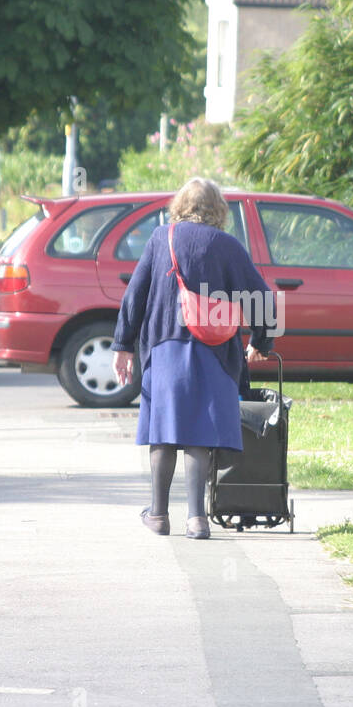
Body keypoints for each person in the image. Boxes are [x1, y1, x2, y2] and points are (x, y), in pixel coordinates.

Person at [111, 178, 274, 539]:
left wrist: (122, 345)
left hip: (165, 348)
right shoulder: (228, 246)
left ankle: (157, 514)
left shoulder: (161, 238)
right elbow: (262, 297)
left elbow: (135, 295)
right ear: (218, 209)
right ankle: (196, 519)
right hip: (214, 352)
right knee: (200, 432)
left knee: (164, 433)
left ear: (179, 205)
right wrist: (262, 341)